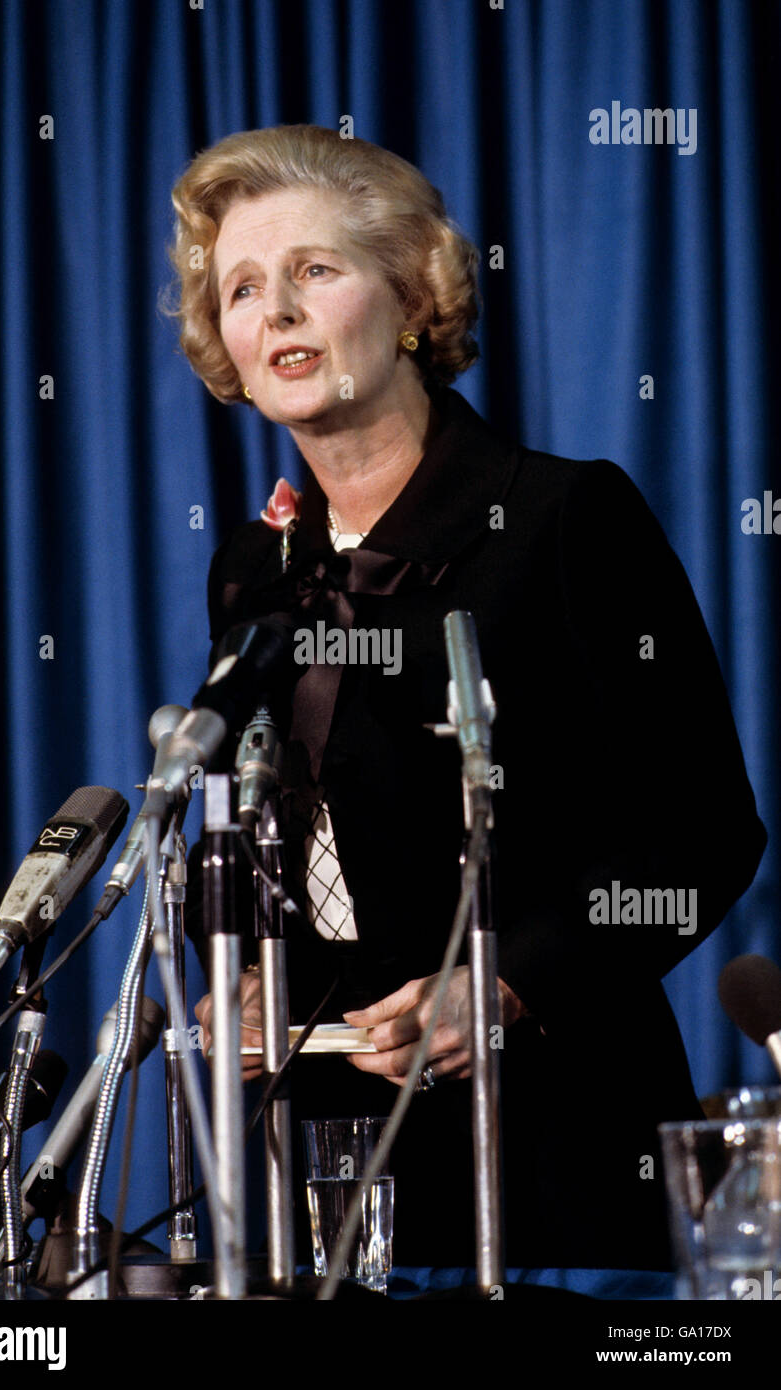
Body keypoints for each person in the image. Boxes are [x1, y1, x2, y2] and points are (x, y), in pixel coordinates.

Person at [169, 125, 766, 1271]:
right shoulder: (252, 566)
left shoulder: (560, 520)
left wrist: (501, 985)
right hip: (317, 1156)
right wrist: (242, 976)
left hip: (549, 1153)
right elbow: (271, 829)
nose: (276, 309)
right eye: (242, 288)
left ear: (406, 299)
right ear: (225, 347)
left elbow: (702, 834)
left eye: (314, 270)